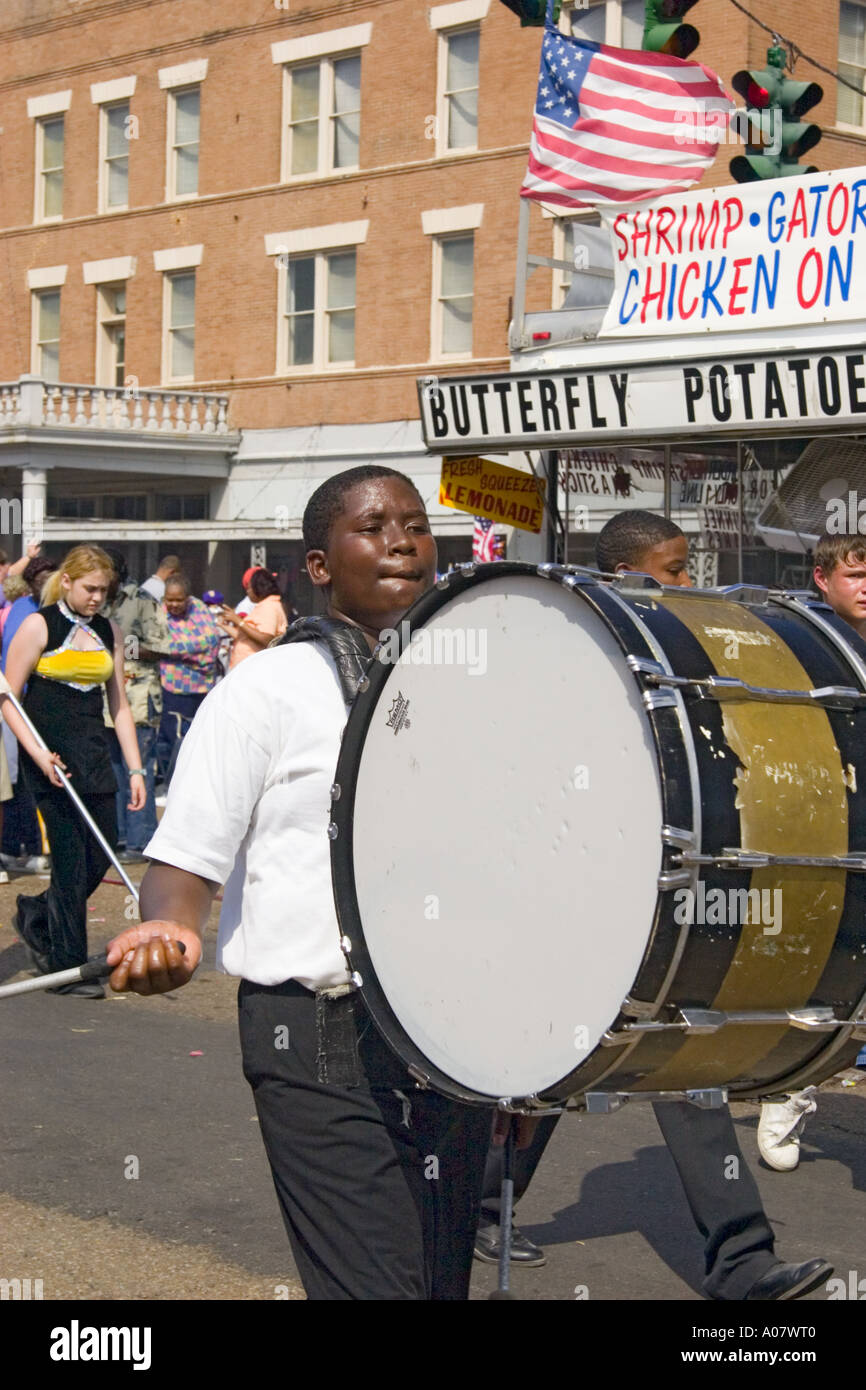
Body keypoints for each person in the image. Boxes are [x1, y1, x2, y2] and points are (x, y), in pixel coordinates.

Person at [105, 466, 492, 1300]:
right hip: (315, 1039)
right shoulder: (265, 690)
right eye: (374, 525)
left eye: (417, 524)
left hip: (451, 1037)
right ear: (318, 566)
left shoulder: (472, 682)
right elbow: (186, 859)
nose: (401, 540)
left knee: (438, 1287)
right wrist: (170, 928)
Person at [476, 511, 832, 1301]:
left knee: (685, 1064)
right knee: (557, 1069)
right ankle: (476, 1202)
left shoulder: (682, 654)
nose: (686, 585)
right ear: (627, 573)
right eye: (672, 572)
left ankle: (742, 1261)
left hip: (658, 897)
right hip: (575, 902)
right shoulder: (576, 651)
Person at [2, 545, 146, 998]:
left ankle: (38, 915)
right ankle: (67, 967)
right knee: (68, 858)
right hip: (48, 754)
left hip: (92, 753)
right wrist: (37, 754)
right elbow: (8, 697)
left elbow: (118, 706)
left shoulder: (109, 630)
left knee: (100, 854)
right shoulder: (37, 624)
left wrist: (137, 769)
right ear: (67, 582)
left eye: (104, 590)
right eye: (89, 589)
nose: (96, 598)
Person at [102, 548, 170, 865]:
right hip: (106, 700)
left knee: (138, 767)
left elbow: (160, 646)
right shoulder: (99, 601)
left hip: (140, 698)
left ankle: (141, 840)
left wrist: (119, 647)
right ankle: (117, 836)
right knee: (114, 771)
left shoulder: (142, 600)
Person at [0, 556, 58, 871]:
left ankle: (40, 848)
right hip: (13, 705)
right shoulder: (20, 610)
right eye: (40, 577)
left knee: (39, 778)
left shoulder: (65, 615)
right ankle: (16, 845)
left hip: (47, 709)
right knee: (15, 779)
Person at [154, 573, 222, 791]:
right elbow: (154, 645)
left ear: (188, 597)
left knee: (198, 738)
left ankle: (193, 785)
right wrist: (192, 651)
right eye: (169, 600)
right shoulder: (157, 613)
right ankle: (167, 783)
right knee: (170, 739)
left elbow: (212, 639)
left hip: (202, 686)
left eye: (179, 600)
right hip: (173, 687)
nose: (174, 604)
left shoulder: (199, 608)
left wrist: (175, 651)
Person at [219, 569, 289, 669]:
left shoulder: (268, 607)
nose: (247, 592)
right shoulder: (263, 606)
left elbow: (266, 638)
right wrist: (223, 625)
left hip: (253, 667)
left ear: (259, 588)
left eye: (249, 588)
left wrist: (238, 621)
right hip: (246, 665)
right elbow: (243, 637)